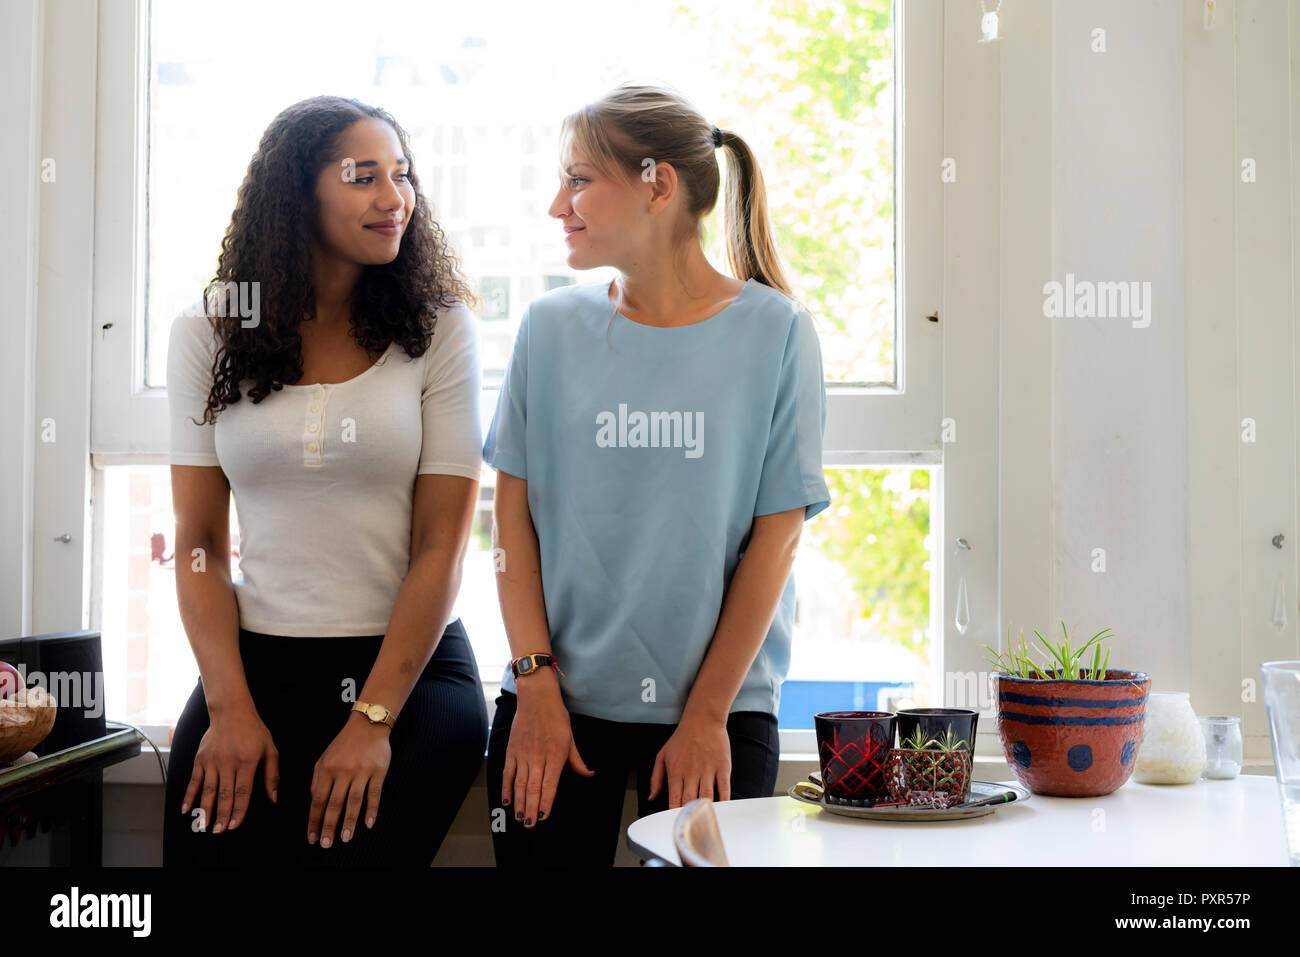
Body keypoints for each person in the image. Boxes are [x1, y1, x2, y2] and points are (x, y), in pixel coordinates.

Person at [482, 83, 831, 866]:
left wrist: (707, 714)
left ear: (657, 184)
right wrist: (535, 683)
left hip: (718, 708)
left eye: (578, 180)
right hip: (555, 702)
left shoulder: (777, 333)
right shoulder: (548, 328)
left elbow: (776, 541)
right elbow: (511, 522)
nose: (556, 205)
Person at [162, 96, 487, 866]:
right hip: (253, 669)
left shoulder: (440, 328)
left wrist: (372, 722)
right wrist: (230, 707)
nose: (394, 198)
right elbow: (199, 542)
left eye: (402, 175)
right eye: (364, 176)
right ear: (296, 193)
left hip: (407, 675)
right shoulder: (208, 331)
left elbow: (442, 546)